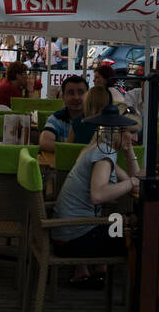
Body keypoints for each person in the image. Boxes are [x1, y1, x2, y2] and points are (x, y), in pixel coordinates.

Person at [53, 112, 140, 285]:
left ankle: (91, 273)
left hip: (69, 233)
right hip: (75, 239)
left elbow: (137, 186)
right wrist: (132, 181)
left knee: (134, 220)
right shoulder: (104, 154)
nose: (136, 138)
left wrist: (129, 150)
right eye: (132, 132)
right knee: (141, 233)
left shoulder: (101, 149)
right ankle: (140, 294)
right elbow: (98, 195)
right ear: (116, 130)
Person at [38, 75, 87, 152]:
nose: (76, 97)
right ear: (63, 97)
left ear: (88, 95)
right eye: (71, 93)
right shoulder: (57, 118)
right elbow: (44, 143)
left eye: (81, 92)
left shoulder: (96, 118)